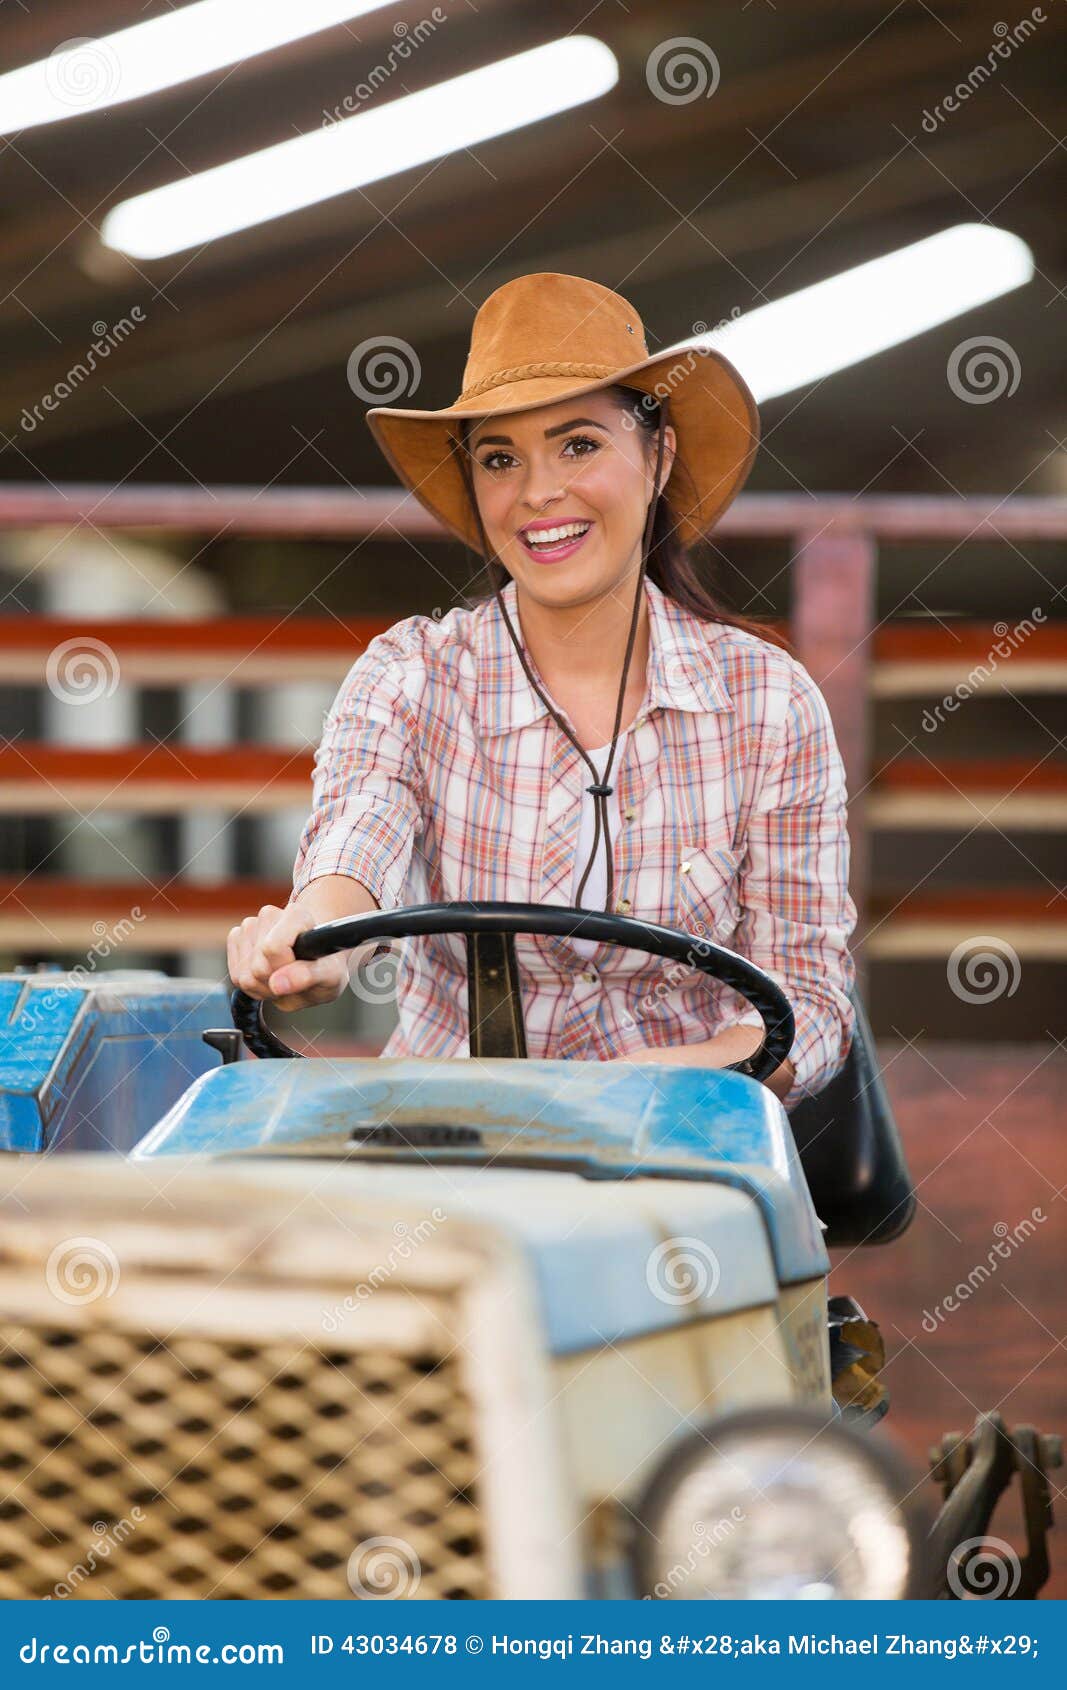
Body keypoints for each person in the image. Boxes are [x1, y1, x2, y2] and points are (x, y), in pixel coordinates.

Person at [228, 272, 855, 1106]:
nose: (537, 493)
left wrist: (633, 1089)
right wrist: (313, 942)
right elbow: (357, 840)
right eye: (499, 458)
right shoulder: (410, 675)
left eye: (579, 445)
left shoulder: (767, 701)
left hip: (676, 1151)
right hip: (444, 1144)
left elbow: (808, 1000)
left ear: (657, 457)